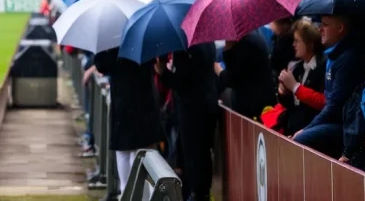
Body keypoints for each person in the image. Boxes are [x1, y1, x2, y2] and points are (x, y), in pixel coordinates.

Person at [293, 14, 365, 157]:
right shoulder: (333, 56)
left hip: (346, 126)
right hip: (333, 120)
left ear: (340, 28)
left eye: (325, 25)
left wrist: (307, 129)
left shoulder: (347, 59)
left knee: (301, 139)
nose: (320, 29)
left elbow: (334, 106)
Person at [94, 48, 162, 196]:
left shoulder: (113, 43)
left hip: (124, 106)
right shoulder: (143, 37)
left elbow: (101, 64)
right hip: (144, 105)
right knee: (140, 157)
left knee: (126, 157)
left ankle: (127, 194)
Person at [155, 43, 218, 201]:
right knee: (202, 155)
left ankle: (197, 194)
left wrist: (163, 72)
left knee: (194, 156)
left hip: (193, 109)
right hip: (206, 104)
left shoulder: (186, 45)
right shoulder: (207, 41)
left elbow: (182, 81)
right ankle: (200, 192)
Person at [275, 20, 326, 136]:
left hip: (311, 128)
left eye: (297, 41)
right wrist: (283, 92)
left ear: (310, 44)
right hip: (293, 127)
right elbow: (291, 104)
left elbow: (323, 102)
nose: (294, 45)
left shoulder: (322, 67)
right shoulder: (298, 68)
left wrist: (294, 87)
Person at [215, 31, 275, 120]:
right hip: (256, 101)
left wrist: (218, 69)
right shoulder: (250, 37)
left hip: (253, 107)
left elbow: (232, 78)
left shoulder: (246, 44)